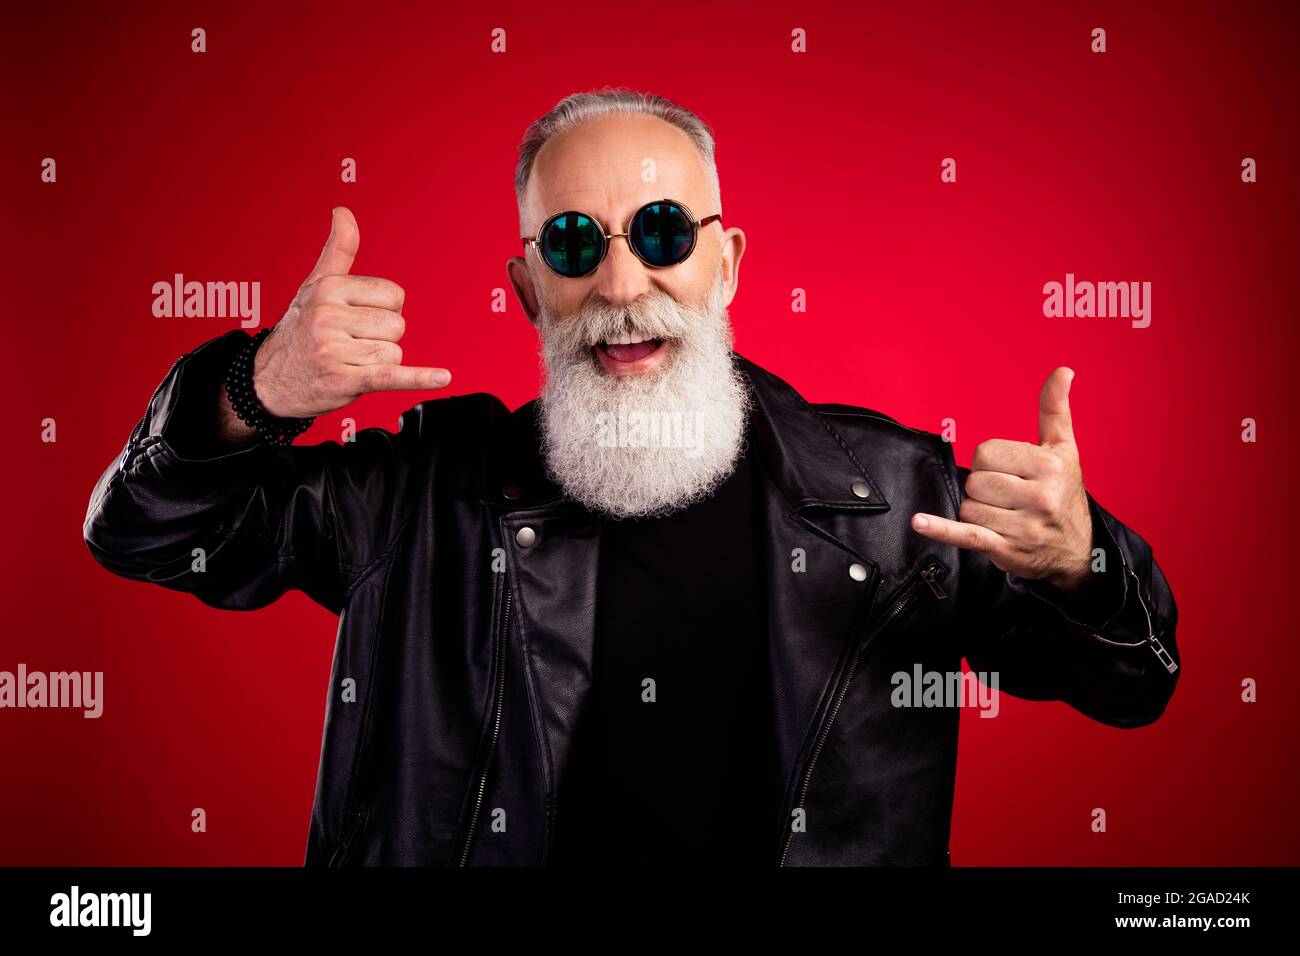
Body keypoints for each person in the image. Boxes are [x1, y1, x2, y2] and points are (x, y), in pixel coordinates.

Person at [84, 89, 1180, 866]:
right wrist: (257, 385)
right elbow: (138, 529)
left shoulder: (898, 500)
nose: (621, 279)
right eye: (573, 242)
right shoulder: (420, 497)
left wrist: (1083, 566)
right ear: (526, 286)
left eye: (661, 231)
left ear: (726, 260)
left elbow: (1138, 685)